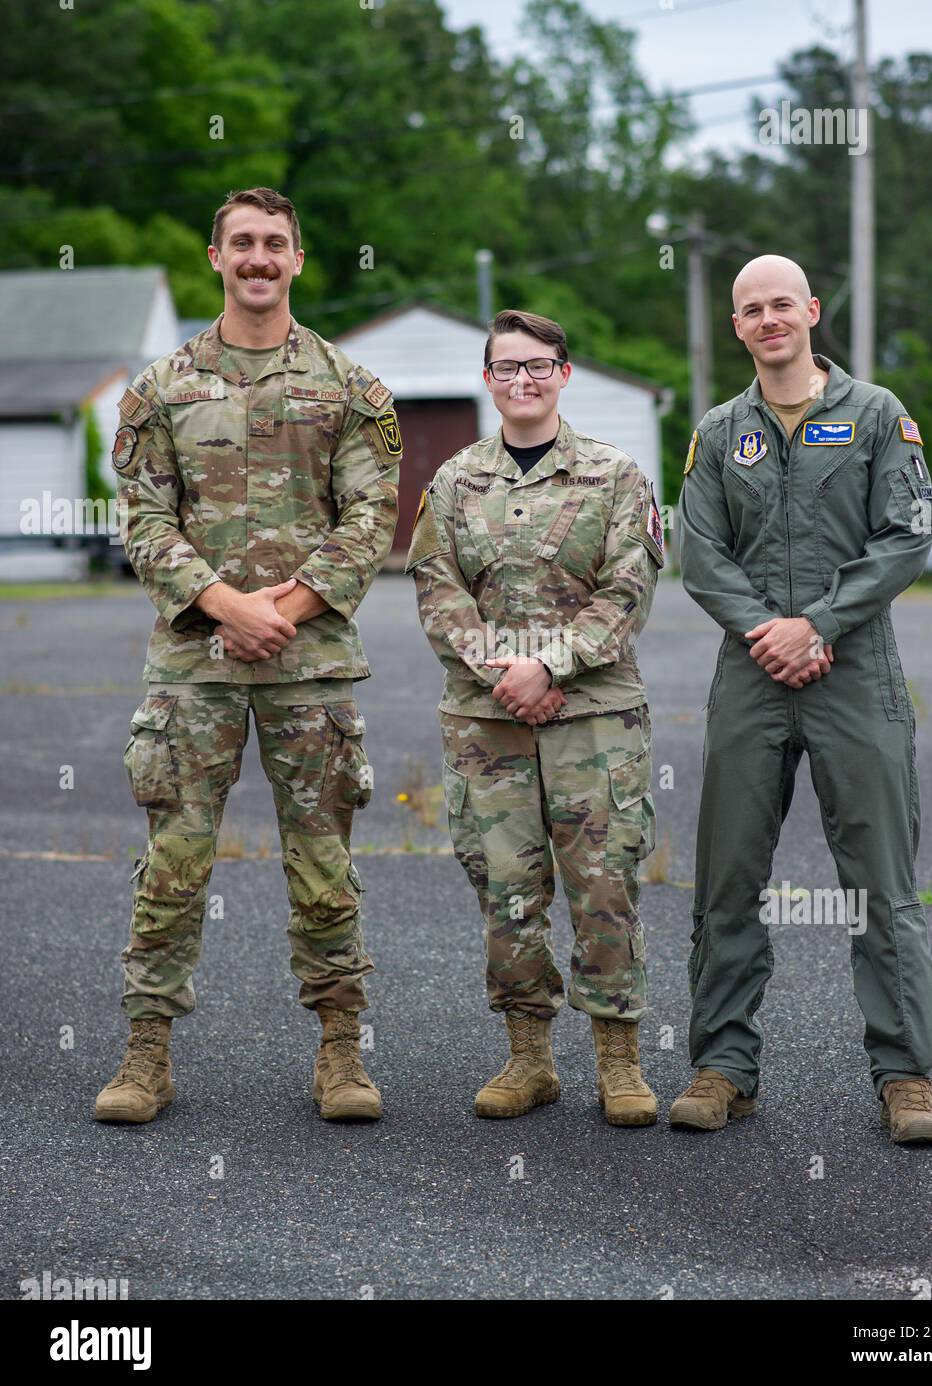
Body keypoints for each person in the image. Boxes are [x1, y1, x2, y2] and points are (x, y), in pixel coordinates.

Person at [94, 187, 400, 1125]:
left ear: (298, 261)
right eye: (243, 243)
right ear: (216, 258)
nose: (259, 257)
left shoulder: (351, 389)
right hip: (197, 665)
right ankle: (146, 1056)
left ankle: (341, 1055)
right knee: (176, 860)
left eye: (275, 243)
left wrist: (287, 611)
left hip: (310, 665)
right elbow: (143, 518)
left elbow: (372, 516)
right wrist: (225, 604)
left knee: (322, 862)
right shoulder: (162, 390)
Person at [673, 254, 932, 1144]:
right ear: (738, 327)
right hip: (752, 674)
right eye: (750, 309)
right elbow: (700, 551)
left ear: (812, 311)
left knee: (882, 883)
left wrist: (819, 623)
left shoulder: (874, 415)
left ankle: (906, 1078)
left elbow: (907, 536)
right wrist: (771, 632)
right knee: (727, 880)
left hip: (855, 672)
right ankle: (722, 1068)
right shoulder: (719, 431)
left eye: (780, 303)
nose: (767, 319)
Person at [406, 310, 663, 1126]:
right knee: (507, 887)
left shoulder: (616, 475)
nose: (523, 380)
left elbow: (628, 588)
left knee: (603, 885)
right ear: (488, 379)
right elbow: (436, 587)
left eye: (539, 366)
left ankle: (618, 1062)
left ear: (564, 373)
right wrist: (503, 671)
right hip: (489, 721)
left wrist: (549, 664)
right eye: (507, 367)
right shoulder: (453, 481)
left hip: (593, 715)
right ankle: (529, 1060)